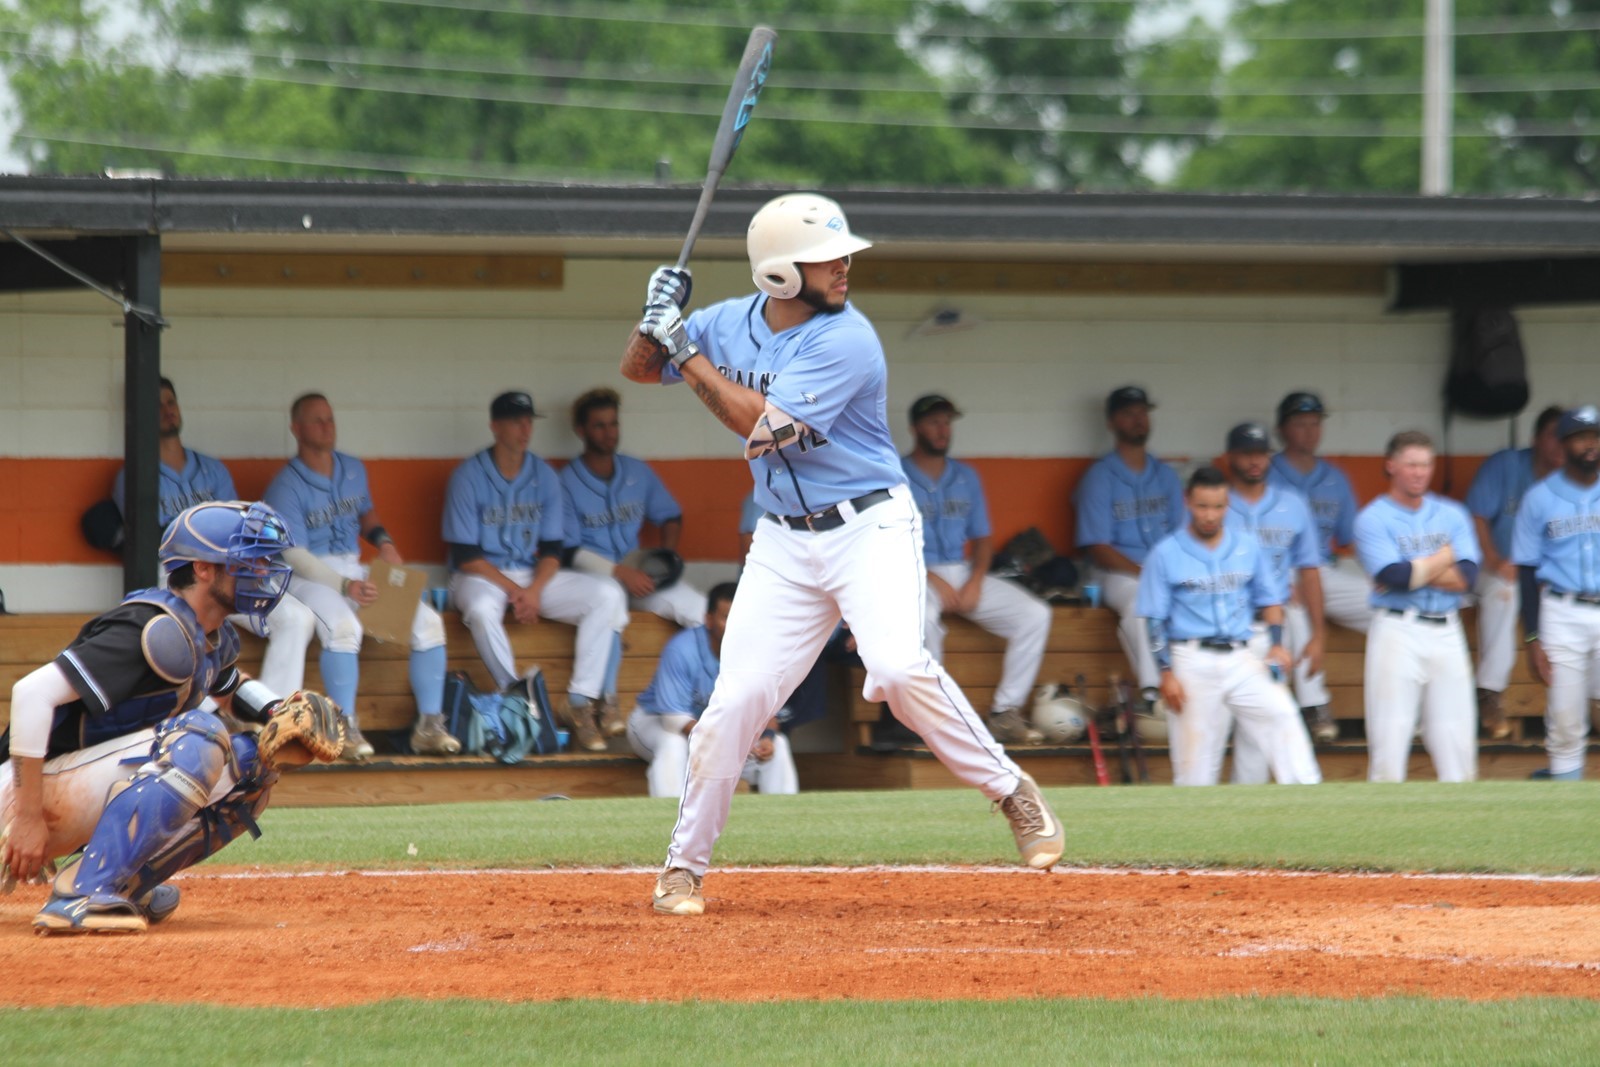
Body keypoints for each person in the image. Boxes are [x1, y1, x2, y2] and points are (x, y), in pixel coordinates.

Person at [622, 192, 1063, 915]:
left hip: (870, 526)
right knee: (733, 702)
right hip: (784, 538)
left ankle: (1011, 789)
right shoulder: (725, 322)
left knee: (894, 663)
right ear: (779, 274)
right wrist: (655, 318)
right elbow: (640, 369)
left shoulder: (848, 339)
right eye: (827, 257)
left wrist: (687, 351)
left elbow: (762, 430)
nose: (845, 265)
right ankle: (682, 867)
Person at [0, 501, 340, 933]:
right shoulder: (149, 628)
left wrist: (278, 710)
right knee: (200, 735)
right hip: (21, 796)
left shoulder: (208, 636)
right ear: (202, 568)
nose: (261, 572)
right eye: (247, 562)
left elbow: (229, 684)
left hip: (69, 790)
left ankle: (119, 883)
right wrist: (27, 818)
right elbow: (30, 694)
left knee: (253, 764)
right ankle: (84, 895)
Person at [262, 393, 457, 760]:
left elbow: (367, 515)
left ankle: (429, 726)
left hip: (352, 566)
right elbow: (293, 554)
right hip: (306, 576)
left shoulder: (352, 468)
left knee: (429, 623)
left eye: (330, 419)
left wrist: (384, 542)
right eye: (317, 420)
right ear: (296, 429)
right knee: (342, 628)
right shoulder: (285, 484)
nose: (326, 426)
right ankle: (344, 728)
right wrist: (344, 585)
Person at [443, 391, 628, 753]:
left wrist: (535, 592)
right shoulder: (468, 476)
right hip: (480, 576)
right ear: (495, 427)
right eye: (515, 421)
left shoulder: (543, 474)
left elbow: (554, 549)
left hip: (530, 575)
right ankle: (515, 695)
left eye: (528, 421)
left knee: (608, 595)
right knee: (481, 610)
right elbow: (465, 554)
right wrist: (517, 591)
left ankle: (580, 702)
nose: (525, 428)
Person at [112, 376, 315, 697]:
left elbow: (240, 530)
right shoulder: (133, 476)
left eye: (170, 402)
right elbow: (156, 541)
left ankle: (276, 719)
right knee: (186, 630)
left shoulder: (212, 469)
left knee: (297, 618)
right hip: (175, 575)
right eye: (157, 405)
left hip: (228, 570)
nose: (167, 410)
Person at [1136, 466, 1321, 787]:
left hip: (1241, 655)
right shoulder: (1165, 553)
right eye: (1203, 506)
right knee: (1195, 765)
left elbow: (1270, 600)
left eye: (1219, 507)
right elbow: (1154, 620)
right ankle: (1195, 830)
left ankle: (1310, 799)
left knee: (1283, 715)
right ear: (1188, 503)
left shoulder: (1247, 546)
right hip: (1191, 658)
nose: (1210, 515)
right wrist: (1165, 672)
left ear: (1228, 505)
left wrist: (1277, 644)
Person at [902, 393, 1050, 745]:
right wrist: (930, 577)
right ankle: (934, 716)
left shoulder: (966, 475)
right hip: (912, 571)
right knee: (922, 622)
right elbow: (887, 541)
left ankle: (1004, 712)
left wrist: (975, 581)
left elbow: (983, 538)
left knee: (1035, 614)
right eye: (933, 422)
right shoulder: (895, 473)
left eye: (946, 422)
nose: (942, 429)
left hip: (962, 570)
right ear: (915, 428)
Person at [1354, 430, 1481, 783]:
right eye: (1411, 464)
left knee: (1457, 743)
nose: (1419, 472)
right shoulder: (1372, 518)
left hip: (1447, 629)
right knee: (1389, 741)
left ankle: (1463, 826)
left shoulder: (1452, 513)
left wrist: (1417, 570)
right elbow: (1394, 575)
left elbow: (1467, 577)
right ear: (1391, 465)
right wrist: (1444, 556)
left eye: (1425, 465)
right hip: (1398, 629)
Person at [1219, 423, 1326, 784]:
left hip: (1269, 630)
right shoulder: (1215, 505)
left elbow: (1309, 570)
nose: (1254, 461)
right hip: (1220, 629)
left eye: (1261, 453)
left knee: (1256, 730)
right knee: (1215, 732)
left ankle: (1246, 807)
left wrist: (1318, 635)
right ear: (1230, 456)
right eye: (1247, 453)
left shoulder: (1292, 504)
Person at [626, 583, 798, 798]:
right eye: (726, 618)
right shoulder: (682, 648)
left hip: (720, 733)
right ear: (708, 619)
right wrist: (723, 740)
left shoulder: (759, 654)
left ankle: (785, 822)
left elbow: (769, 713)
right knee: (673, 744)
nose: (735, 626)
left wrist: (767, 737)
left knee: (778, 746)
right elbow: (674, 720)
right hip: (655, 723)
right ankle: (669, 823)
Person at [1267, 391, 1372, 741]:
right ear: (1282, 429)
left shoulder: (1335, 477)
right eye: (1300, 424)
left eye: (1315, 424)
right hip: (1283, 573)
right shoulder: (1267, 475)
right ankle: (1315, 707)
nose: (1310, 431)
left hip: (1324, 570)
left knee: (1389, 609)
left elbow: (1353, 539)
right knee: (1294, 611)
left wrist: (1382, 576)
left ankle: (1404, 703)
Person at [1074, 385, 1185, 705]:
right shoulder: (1099, 477)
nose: (1138, 420)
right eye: (1129, 414)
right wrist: (1143, 572)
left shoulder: (1164, 474)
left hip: (1163, 569)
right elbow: (1097, 545)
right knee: (1141, 606)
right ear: (1112, 423)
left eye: (1142, 413)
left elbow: (1182, 537)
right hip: (1118, 572)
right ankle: (1153, 691)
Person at [560, 386, 705, 628]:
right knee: (609, 600)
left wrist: (665, 561)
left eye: (613, 424)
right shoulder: (564, 482)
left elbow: (671, 515)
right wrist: (620, 572)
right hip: (595, 579)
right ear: (581, 430)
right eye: (599, 426)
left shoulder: (637, 470)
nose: (610, 433)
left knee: (697, 607)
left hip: (640, 576)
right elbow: (569, 551)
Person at [1466, 405, 1565, 739]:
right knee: (1504, 590)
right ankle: (1489, 693)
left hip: (1540, 578)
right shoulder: (1507, 464)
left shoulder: (1576, 483)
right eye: (1554, 435)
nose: (1561, 444)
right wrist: (1494, 560)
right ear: (1536, 438)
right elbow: (1476, 516)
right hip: (1486, 567)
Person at [1512, 405, 1600, 780]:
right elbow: (1526, 571)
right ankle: (1564, 793)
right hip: (1561, 609)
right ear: (1564, 445)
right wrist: (1532, 636)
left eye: (1595, 436)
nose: (1590, 445)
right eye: (1581, 437)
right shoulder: (1539, 497)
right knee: (1565, 718)